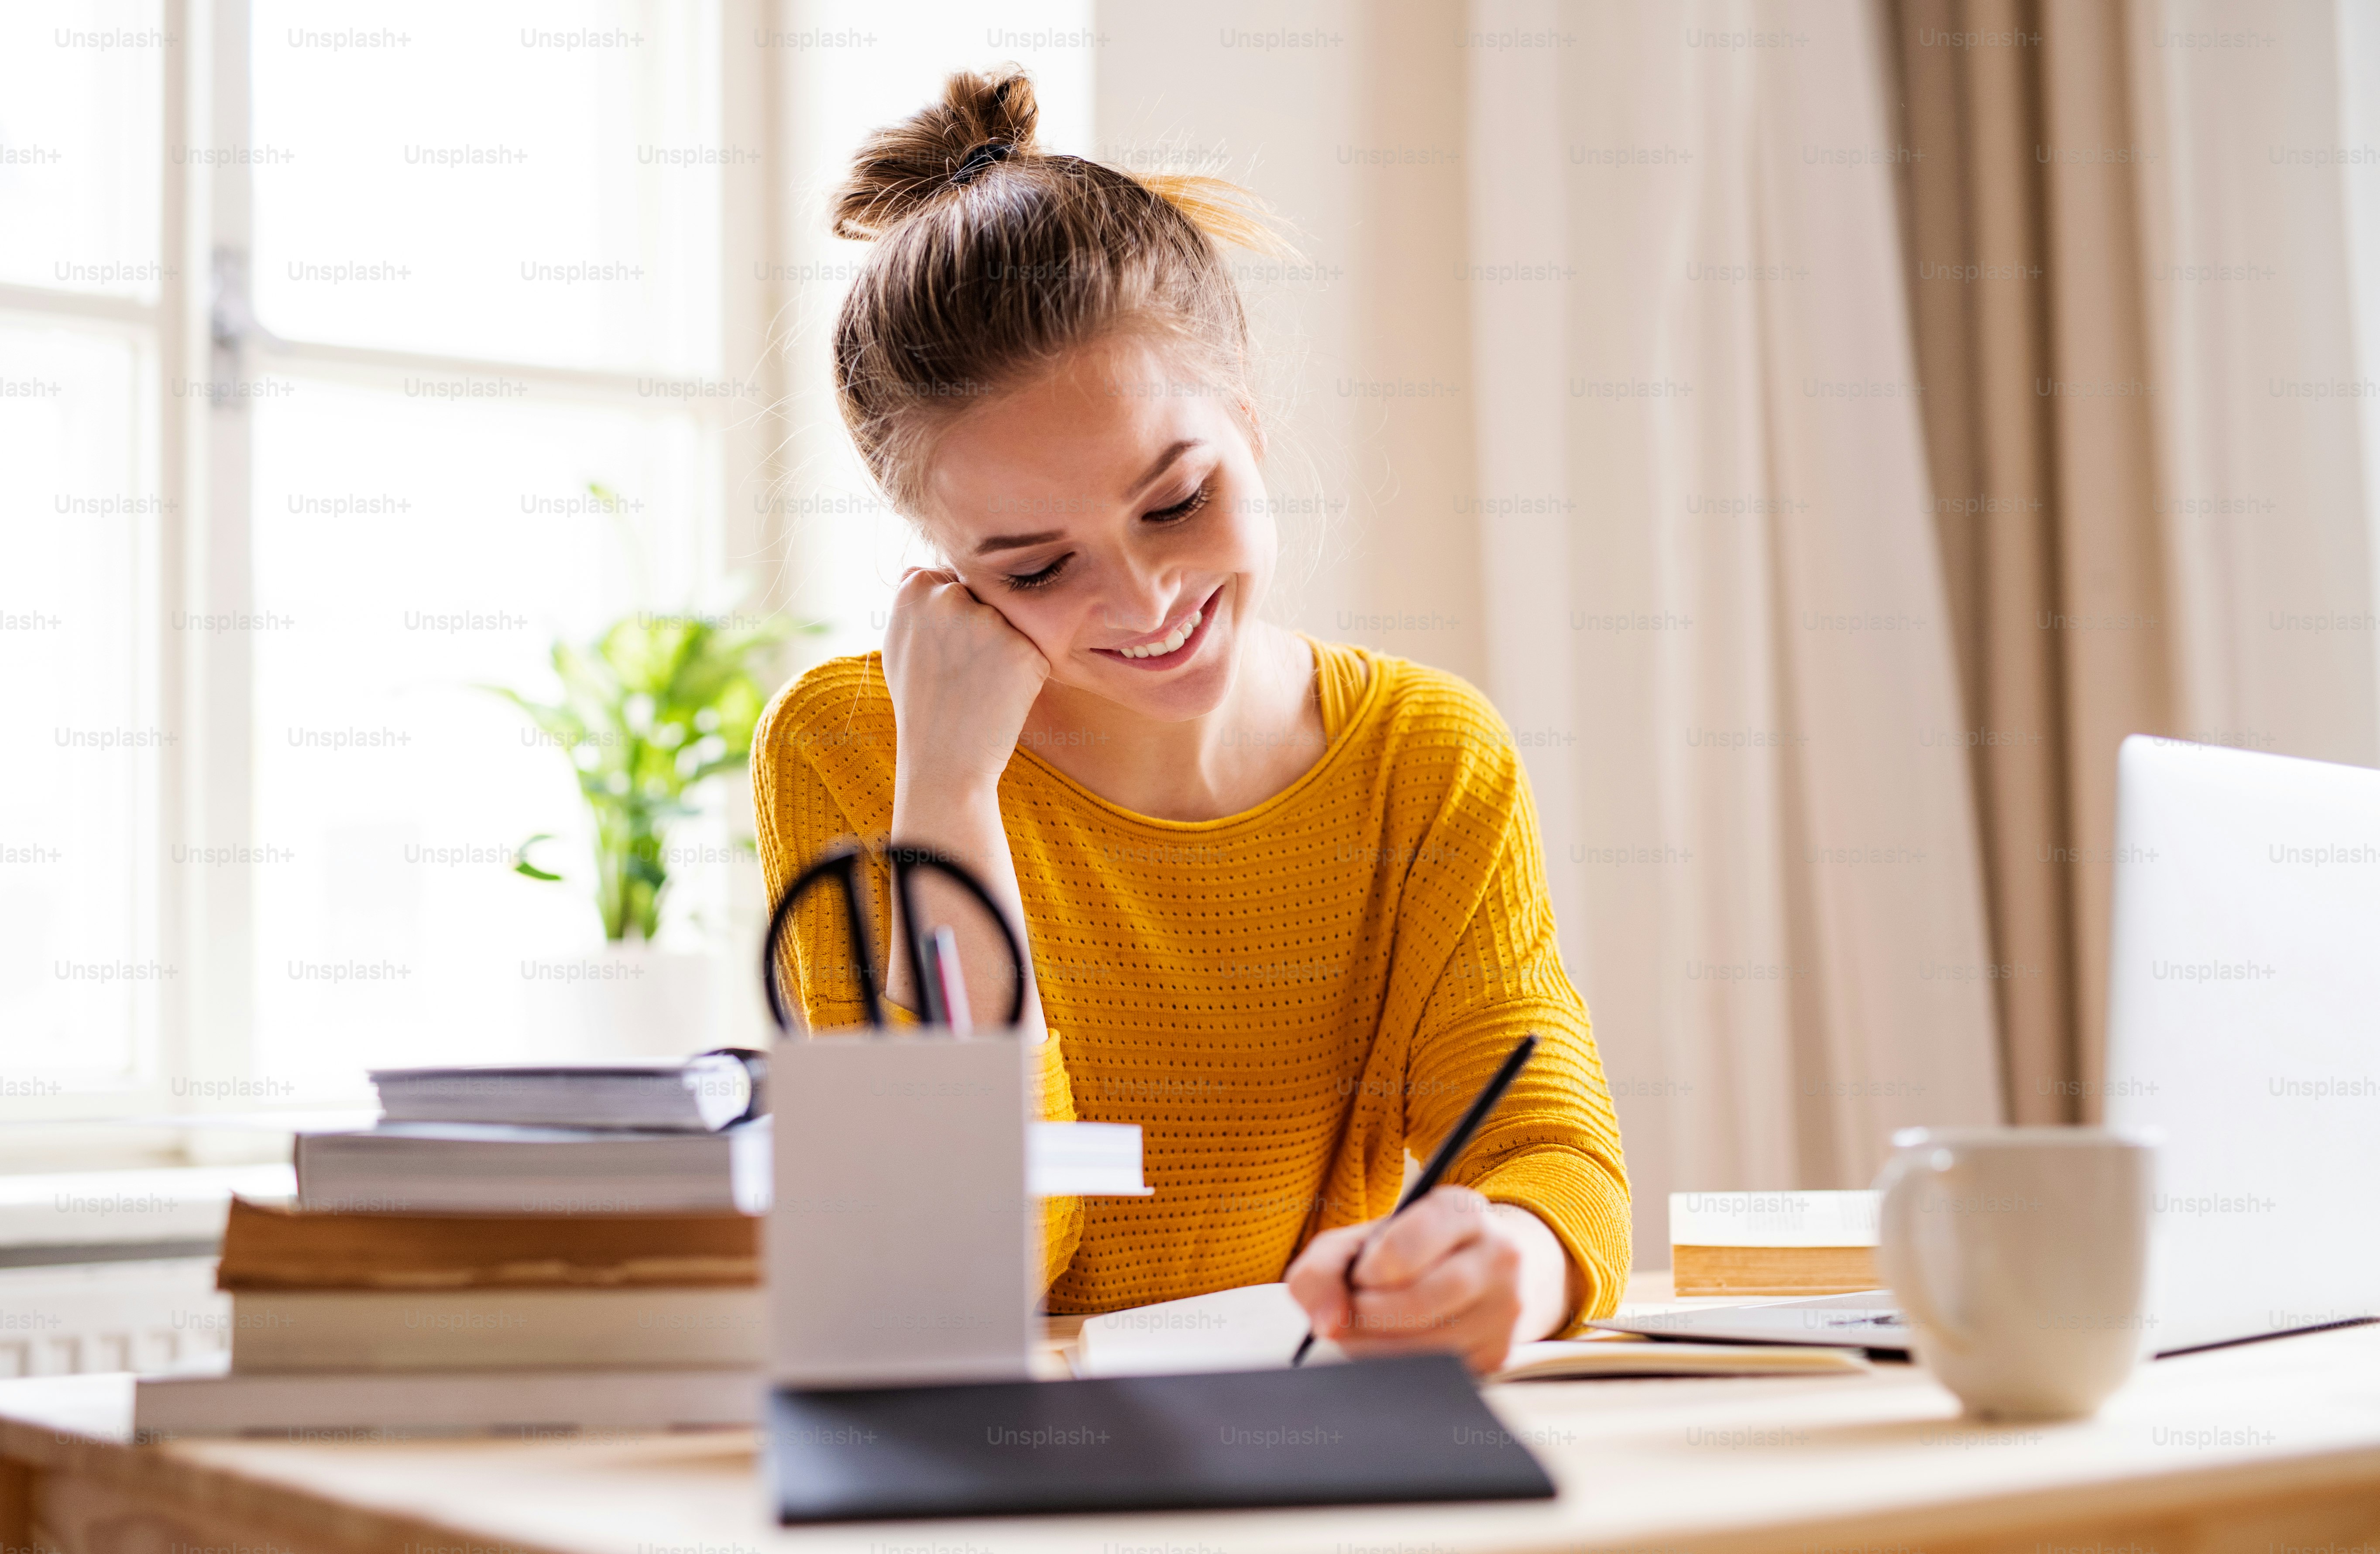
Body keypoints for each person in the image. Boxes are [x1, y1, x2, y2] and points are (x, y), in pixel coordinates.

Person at [753, 68, 1628, 1373]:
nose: (1148, 596)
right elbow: (958, 1256)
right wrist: (947, 790)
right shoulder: (849, 746)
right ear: (938, 572)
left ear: (1252, 433)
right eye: (1035, 568)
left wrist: (1519, 1258)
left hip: (1300, 1441)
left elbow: (1553, 1156)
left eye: (1174, 503)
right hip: (982, 1458)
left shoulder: (1423, 760)